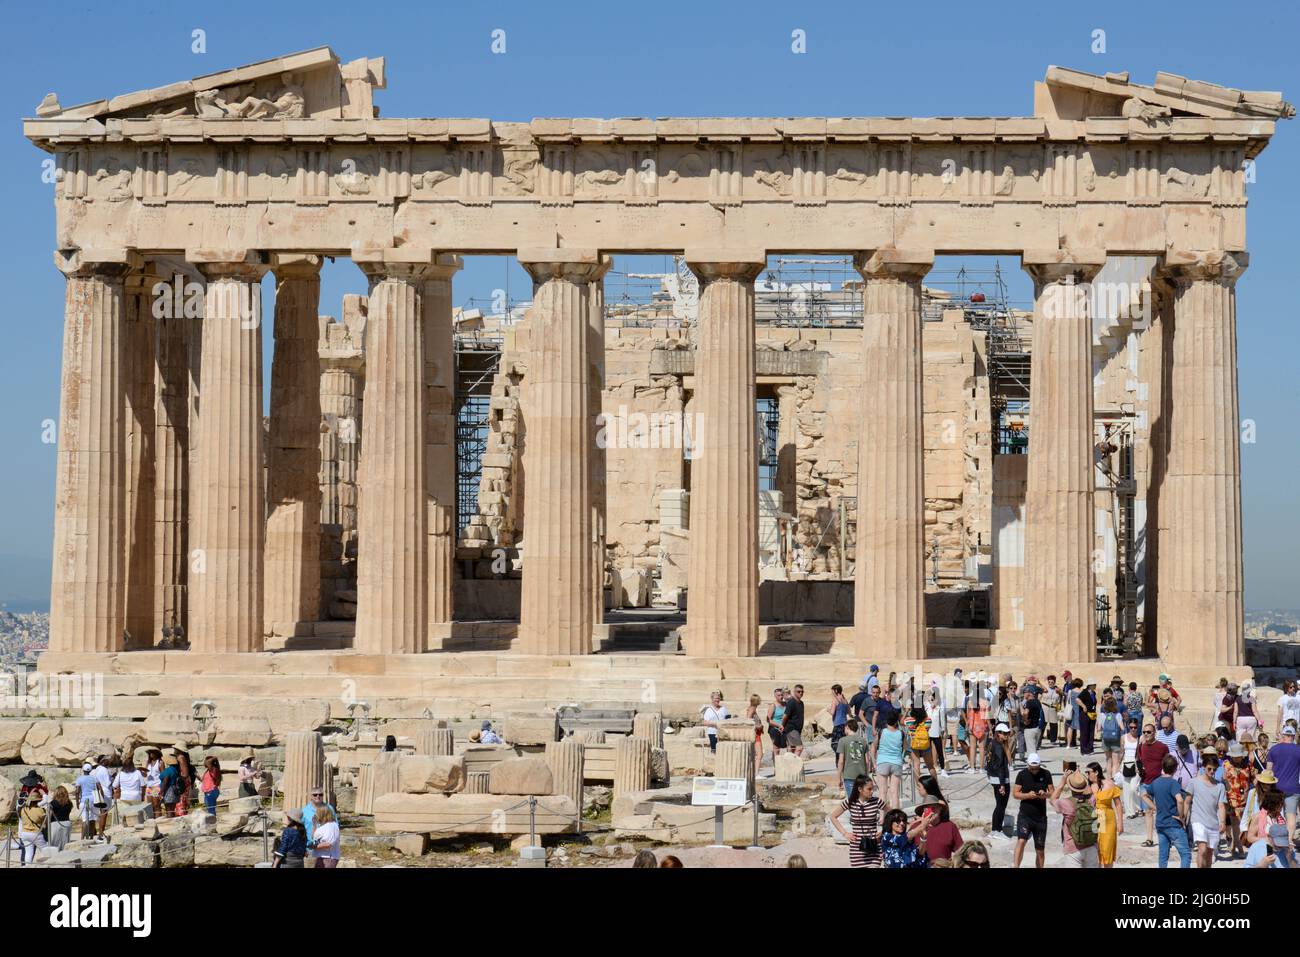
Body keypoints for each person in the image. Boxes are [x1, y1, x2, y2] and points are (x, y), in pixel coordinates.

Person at [1143, 754, 1191, 868]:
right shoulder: (1173, 783)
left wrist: (1154, 807)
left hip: (1160, 823)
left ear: (1163, 767)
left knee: (1163, 856)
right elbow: (1179, 800)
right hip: (1173, 824)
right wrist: (1181, 816)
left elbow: (1144, 794)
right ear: (1175, 769)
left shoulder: (1156, 782)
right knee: (1186, 855)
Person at [830, 773, 885, 868]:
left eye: (873, 788)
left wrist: (884, 830)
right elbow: (833, 817)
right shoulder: (850, 802)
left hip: (874, 847)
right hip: (857, 849)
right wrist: (845, 833)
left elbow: (894, 814)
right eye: (869, 789)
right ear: (860, 789)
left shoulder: (877, 801)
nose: (872, 792)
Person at [1012, 752, 1053, 868]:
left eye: (1036, 768)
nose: (1034, 770)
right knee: (1021, 841)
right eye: (1032, 768)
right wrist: (1027, 795)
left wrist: (1044, 794)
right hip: (1025, 815)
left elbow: (1053, 793)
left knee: (1040, 850)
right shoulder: (1022, 774)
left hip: (1040, 817)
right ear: (1028, 765)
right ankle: (1015, 866)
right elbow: (1015, 793)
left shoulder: (1046, 774)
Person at [1053, 770, 1100, 868]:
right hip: (1091, 845)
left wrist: (1063, 781)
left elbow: (1053, 799)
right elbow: (1090, 791)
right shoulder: (1092, 800)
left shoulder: (1066, 803)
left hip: (1073, 848)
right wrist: (1081, 779)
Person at [1190, 754, 1228, 868]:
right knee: (1202, 849)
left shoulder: (1220, 786)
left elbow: (1221, 806)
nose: (1212, 771)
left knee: (1210, 852)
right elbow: (1187, 801)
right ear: (1203, 767)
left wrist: (1222, 822)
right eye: (1209, 769)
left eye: (1214, 769)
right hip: (1198, 819)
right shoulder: (1194, 782)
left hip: (1213, 822)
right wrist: (1182, 816)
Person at [1136, 722, 1169, 848]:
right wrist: (1138, 770)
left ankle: (1165, 837)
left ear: (1154, 733)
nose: (1146, 734)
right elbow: (1138, 761)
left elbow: (1168, 764)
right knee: (1148, 812)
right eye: (1144, 732)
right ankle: (1149, 838)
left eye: (1148, 732)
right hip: (1145, 782)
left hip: (1159, 782)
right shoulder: (1141, 747)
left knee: (1161, 811)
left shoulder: (1162, 747)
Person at [1266, 721, 1300, 842]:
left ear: (1283, 735)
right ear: (1293, 736)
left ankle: (1274, 840)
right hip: (1293, 788)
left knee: (1274, 815)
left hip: (1276, 788)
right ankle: (1289, 841)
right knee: (1291, 816)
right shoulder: (1298, 750)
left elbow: (1268, 771)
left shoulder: (1274, 749)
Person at [1222, 742, 1254, 858]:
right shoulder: (1226, 765)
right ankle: (1239, 847)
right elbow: (1223, 781)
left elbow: (1254, 779)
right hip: (1231, 799)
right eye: (1234, 756)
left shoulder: (1248, 765)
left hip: (1245, 800)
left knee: (1242, 824)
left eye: (1238, 756)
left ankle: (1234, 845)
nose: (1236, 758)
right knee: (1236, 824)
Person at [1088, 763, 1123, 868]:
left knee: (1107, 849)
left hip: (1107, 818)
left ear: (1096, 772)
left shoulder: (1109, 784)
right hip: (1095, 818)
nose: (1087, 774)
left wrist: (1120, 822)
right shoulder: (1088, 786)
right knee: (1096, 849)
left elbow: (1118, 804)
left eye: (1089, 772)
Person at [873, 710, 906, 810]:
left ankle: (883, 817)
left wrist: (874, 762)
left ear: (887, 721)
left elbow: (873, 747)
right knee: (894, 792)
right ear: (896, 721)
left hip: (882, 761)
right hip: (896, 762)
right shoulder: (901, 733)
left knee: (882, 792)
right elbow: (904, 747)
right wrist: (901, 757)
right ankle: (895, 815)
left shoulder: (882, 732)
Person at [986, 722, 1014, 839]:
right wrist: (1002, 784)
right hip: (1000, 780)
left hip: (995, 778)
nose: (1007, 735)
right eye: (1004, 733)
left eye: (1007, 733)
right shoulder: (998, 747)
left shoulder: (993, 743)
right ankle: (997, 830)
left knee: (999, 805)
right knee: (1001, 806)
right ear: (998, 733)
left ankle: (995, 829)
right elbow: (1000, 767)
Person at [919, 797, 963, 864]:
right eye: (928, 808)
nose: (931, 812)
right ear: (923, 810)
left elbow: (961, 852)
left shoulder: (950, 827)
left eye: (934, 807)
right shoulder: (916, 828)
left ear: (940, 809)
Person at [836, 719, 869, 801]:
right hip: (862, 776)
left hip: (849, 775)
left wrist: (839, 777)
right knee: (862, 800)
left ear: (847, 727)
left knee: (852, 801)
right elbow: (867, 761)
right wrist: (867, 775)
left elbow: (841, 761)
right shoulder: (863, 740)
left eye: (845, 728)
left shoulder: (842, 741)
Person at [302, 786, 337, 861]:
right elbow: (301, 829)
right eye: (315, 794)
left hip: (326, 850)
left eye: (320, 794)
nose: (318, 796)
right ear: (311, 796)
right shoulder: (304, 811)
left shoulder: (329, 808)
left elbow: (335, 826)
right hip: (309, 848)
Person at [1120, 718, 1143, 819]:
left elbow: (1143, 753)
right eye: (1131, 727)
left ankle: (1139, 807)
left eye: (1135, 727)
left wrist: (1140, 766)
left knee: (1134, 788)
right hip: (1126, 762)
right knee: (1126, 789)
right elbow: (1121, 752)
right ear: (1128, 727)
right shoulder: (1123, 737)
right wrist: (1117, 766)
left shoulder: (1141, 738)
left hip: (1136, 762)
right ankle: (1130, 812)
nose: (1133, 729)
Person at [1098, 695, 1125, 780]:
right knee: (1116, 761)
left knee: (1108, 760)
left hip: (1105, 739)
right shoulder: (1118, 715)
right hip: (1115, 740)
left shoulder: (1102, 715)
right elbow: (1122, 728)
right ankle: (1115, 779)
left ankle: (1108, 779)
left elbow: (1099, 728)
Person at [17, 792, 48, 865]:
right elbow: (44, 821)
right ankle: (47, 865)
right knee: (45, 850)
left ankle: (27, 866)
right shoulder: (40, 810)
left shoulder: (23, 809)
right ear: (38, 800)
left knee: (28, 853)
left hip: (24, 833)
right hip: (35, 833)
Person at [74, 762, 100, 840]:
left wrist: (77, 802)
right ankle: (91, 837)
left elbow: (77, 791)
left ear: (83, 770)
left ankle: (82, 838)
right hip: (94, 799)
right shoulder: (94, 778)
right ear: (90, 770)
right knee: (92, 820)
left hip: (84, 800)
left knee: (84, 820)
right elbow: (99, 788)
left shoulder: (79, 779)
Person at [91, 755, 114, 836]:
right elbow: (108, 783)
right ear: (104, 761)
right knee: (104, 814)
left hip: (100, 792)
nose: (109, 762)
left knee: (102, 813)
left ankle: (100, 831)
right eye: (108, 761)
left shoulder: (98, 769)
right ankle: (101, 833)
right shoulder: (104, 770)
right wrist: (113, 778)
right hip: (106, 793)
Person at [46, 786, 73, 851]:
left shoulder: (53, 803)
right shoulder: (69, 803)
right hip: (66, 823)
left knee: (54, 845)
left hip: (55, 824)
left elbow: (49, 815)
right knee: (64, 844)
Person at [1236, 681, 1260, 755]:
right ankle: (1251, 755)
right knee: (1251, 738)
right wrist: (1259, 720)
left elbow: (1235, 711)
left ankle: (1240, 754)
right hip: (1251, 719)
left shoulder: (1238, 698)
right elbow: (1255, 711)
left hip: (1240, 719)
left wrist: (1234, 721)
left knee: (1240, 738)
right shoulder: (1251, 699)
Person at [782, 685, 806, 757]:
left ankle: (788, 765)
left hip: (797, 729)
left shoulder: (801, 703)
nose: (801, 693)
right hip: (791, 728)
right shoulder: (791, 702)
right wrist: (782, 726)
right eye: (799, 691)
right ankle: (794, 764)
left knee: (792, 749)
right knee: (799, 748)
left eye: (802, 692)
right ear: (794, 692)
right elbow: (785, 716)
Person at [1021, 684, 1043, 760]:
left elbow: (1026, 713)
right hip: (1037, 728)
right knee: (1034, 749)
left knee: (1031, 751)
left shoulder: (1029, 702)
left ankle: (1033, 765)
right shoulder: (1038, 702)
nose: (1023, 694)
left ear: (1029, 693)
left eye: (1024, 692)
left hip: (1030, 729)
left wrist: (1025, 720)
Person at [174, 746, 196, 817]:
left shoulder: (180, 757)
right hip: (186, 780)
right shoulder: (184, 757)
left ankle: (182, 817)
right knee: (184, 800)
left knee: (181, 800)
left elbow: (185, 773)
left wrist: (179, 779)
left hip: (183, 780)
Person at [1077, 680, 1098, 756]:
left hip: (1092, 714)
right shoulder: (1085, 692)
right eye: (1094, 684)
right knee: (1084, 732)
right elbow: (1077, 699)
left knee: (1091, 732)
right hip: (1085, 715)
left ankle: (1090, 748)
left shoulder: (1094, 693)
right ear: (1090, 685)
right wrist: (1083, 706)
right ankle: (1084, 750)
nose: (1095, 686)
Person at [767, 687, 787, 762]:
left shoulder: (786, 704)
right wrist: (778, 725)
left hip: (784, 728)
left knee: (787, 746)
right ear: (775, 696)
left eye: (782, 695)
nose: (781, 697)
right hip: (774, 728)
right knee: (776, 748)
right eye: (778, 695)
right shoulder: (773, 706)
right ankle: (776, 767)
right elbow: (768, 720)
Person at [1040, 675, 1061, 746]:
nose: (1051, 683)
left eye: (1052, 682)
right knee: (1043, 724)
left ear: (1054, 682)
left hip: (1053, 707)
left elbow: (1060, 698)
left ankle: (1053, 740)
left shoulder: (1057, 690)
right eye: (1049, 682)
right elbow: (1040, 697)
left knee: (1054, 724)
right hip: (1045, 706)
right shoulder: (1045, 689)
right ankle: (1039, 739)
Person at [745, 693, 764, 772]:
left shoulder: (753, 709)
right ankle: (756, 774)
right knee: (759, 754)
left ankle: (755, 773)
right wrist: (758, 726)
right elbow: (748, 721)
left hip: (757, 734)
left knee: (756, 754)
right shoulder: (752, 709)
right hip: (755, 734)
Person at [829, 684, 850, 755]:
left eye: (832, 691)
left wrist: (828, 710)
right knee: (844, 744)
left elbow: (832, 712)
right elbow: (848, 712)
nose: (832, 693)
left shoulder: (835, 700)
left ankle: (839, 760)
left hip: (838, 725)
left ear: (836, 691)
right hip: (845, 725)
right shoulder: (845, 700)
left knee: (834, 744)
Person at [159, 753, 181, 818]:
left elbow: (165, 781)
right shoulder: (175, 769)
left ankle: (170, 825)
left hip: (168, 790)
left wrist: (161, 791)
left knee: (168, 810)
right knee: (172, 809)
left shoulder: (168, 770)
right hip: (174, 790)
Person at [144, 748, 164, 816]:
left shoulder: (160, 762)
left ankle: (159, 821)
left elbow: (163, 775)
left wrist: (162, 788)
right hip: (149, 786)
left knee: (156, 805)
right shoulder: (148, 762)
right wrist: (141, 772)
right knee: (150, 806)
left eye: (153, 752)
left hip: (156, 786)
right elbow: (145, 774)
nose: (151, 754)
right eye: (150, 752)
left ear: (157, 753)